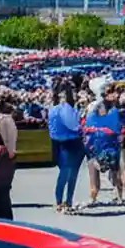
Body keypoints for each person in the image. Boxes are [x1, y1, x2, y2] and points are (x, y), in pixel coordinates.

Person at [83, 85, 124, 206]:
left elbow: (117, 129)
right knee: (98, 172)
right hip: (99, 146)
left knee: (114, 172)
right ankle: (94, 196)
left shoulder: (114, 112)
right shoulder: (102, 110)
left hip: (106, 146)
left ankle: (118, 196)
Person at [48, 84, 85, 213]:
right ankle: (63, 202)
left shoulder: (54, 109)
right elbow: (74, 125)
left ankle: (65, 201)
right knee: (68, 174)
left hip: (63, 143)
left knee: (68, 174)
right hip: (69, 143)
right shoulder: (64, 109)